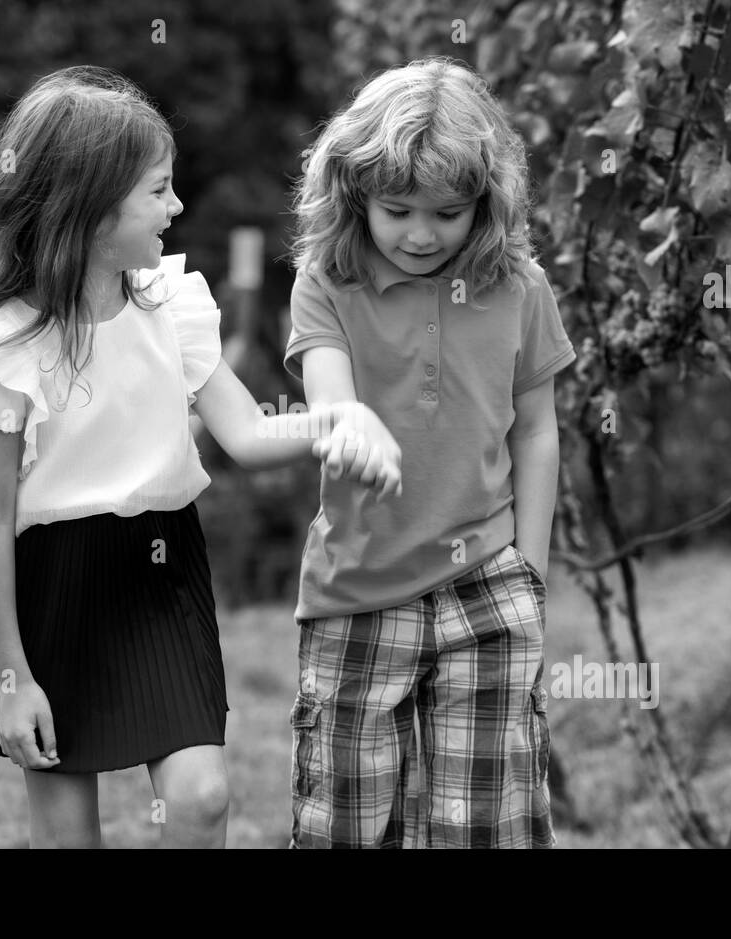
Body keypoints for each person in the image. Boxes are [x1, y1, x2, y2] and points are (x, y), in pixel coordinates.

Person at [0, 66, 400, 848]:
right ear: (91, 209)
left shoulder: (172, 304)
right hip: (51, 587)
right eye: (159, 190)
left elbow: (246, 433)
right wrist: (12, 678)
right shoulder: (2, 341)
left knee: (200, 798)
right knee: (68, 838)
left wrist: (339, 423)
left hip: (164, 576)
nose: (178, 206)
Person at [284, 57, 576, 848]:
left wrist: (533, 569)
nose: (420, 233)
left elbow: (536, 428)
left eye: (447, 213)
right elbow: (330, 397)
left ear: (485, 203)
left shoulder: (521, 288)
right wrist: (351, 426)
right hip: (361, 585)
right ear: (354, 194)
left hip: (488, 583)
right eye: (397, 208)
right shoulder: (328, 281)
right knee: (346, 820)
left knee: (485, 822)